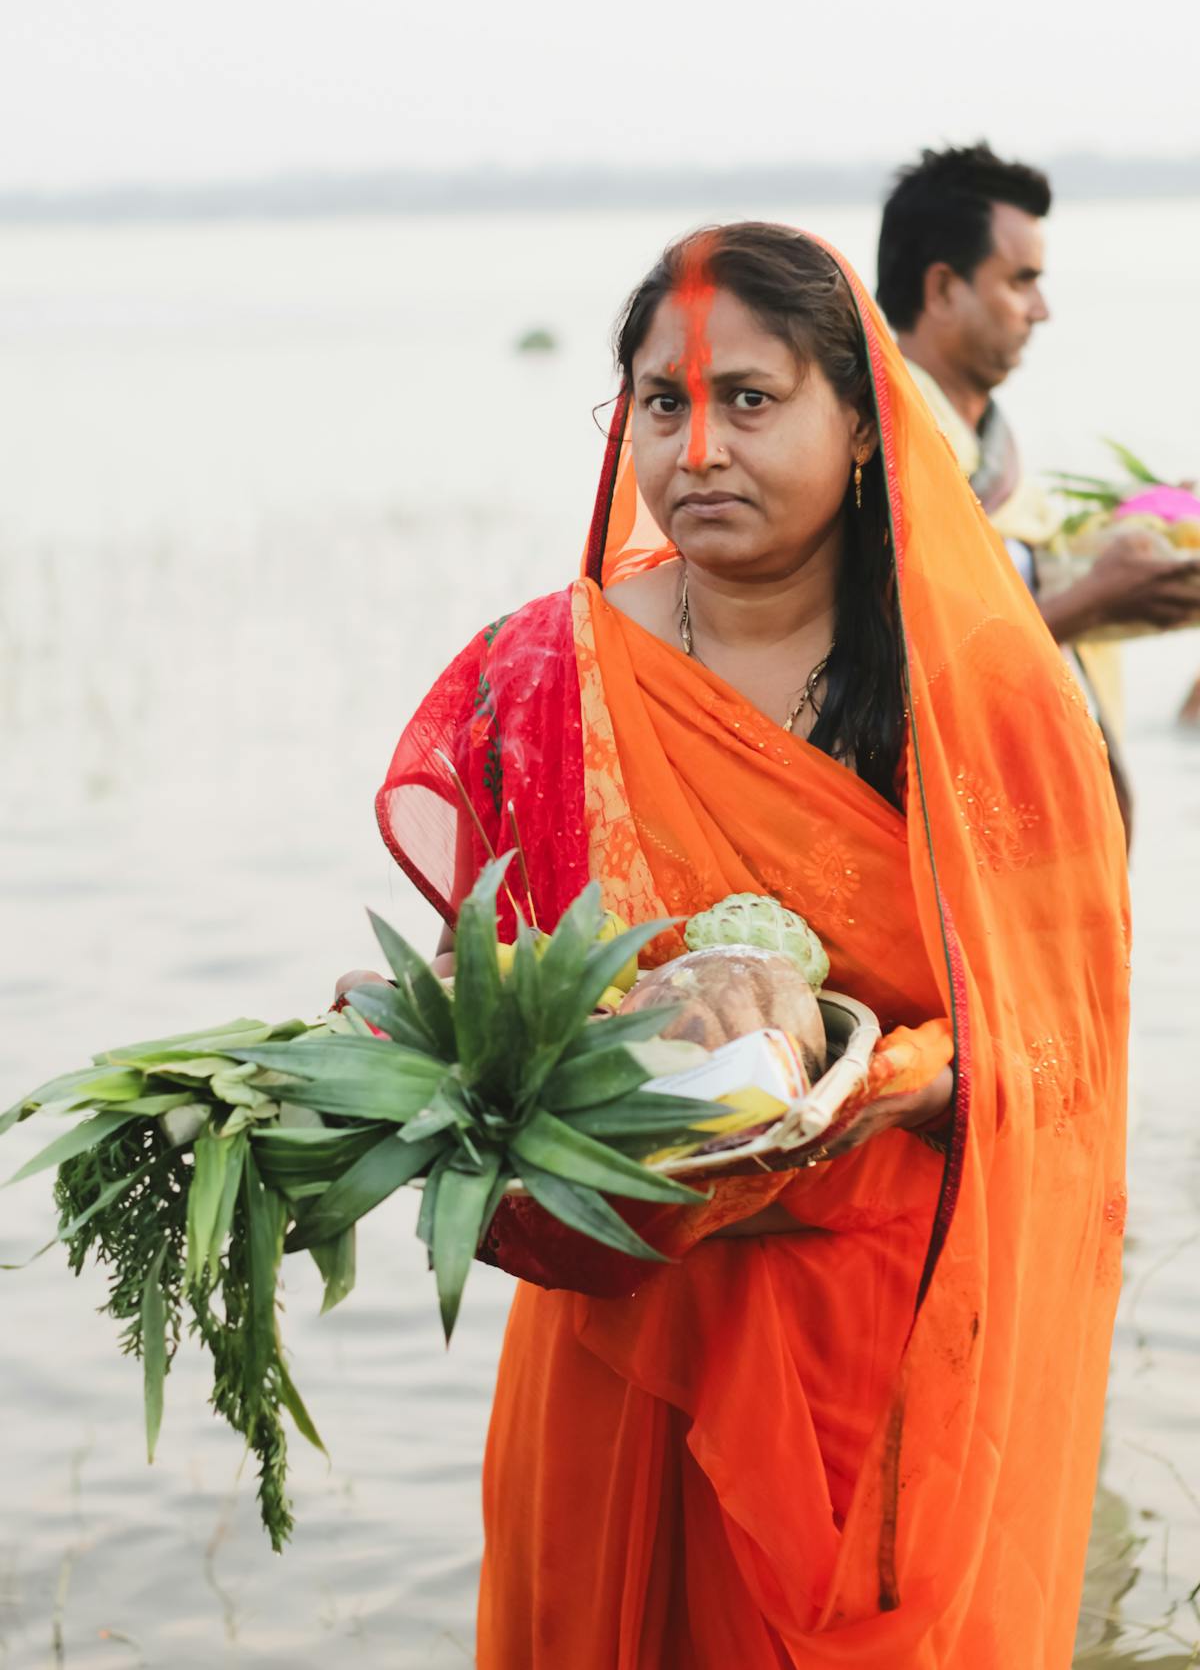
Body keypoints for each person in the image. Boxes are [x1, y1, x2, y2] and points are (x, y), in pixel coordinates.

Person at [373, 225, 1128, 1667]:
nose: (699, 447)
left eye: (751, 401)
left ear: (862, 427)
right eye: (664, 403)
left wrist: (880, 1076)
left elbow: (1059, 1042)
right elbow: (494, 989)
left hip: (870, 1333)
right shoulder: (553, 670)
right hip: (621, 1319)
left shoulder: (975, 696)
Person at [877, 143, 1199, 841]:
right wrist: (1091, 603)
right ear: (941, 289)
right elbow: (886, 676)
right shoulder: (881, 445)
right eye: (1021, 281)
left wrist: (1158, 529)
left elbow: (1024, 588)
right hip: (951, 842)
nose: (1041, 309)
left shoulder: (990, 446)